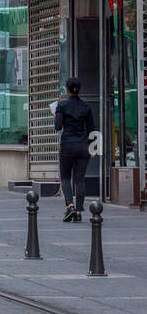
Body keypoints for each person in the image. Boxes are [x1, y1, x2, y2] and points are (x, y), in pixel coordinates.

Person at [56, 78, 96, 222]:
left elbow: (57, 126)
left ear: (67, 89)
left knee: (66, 178)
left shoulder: (62, 105)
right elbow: (92, 129)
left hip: (67, 146)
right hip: (82, 146)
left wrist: (57, 113)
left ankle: (70, 206)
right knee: (80, 180)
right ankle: (79, 212)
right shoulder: (86, 106)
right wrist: (92, 149)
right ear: (79, 89)